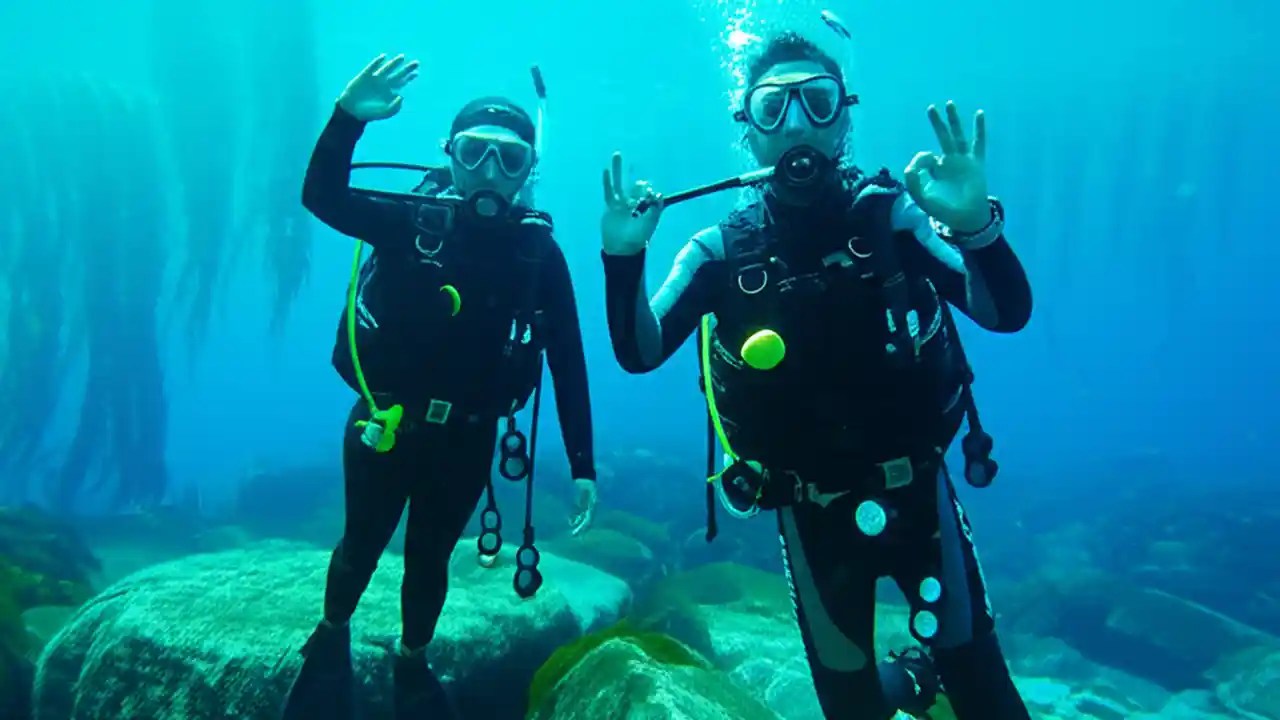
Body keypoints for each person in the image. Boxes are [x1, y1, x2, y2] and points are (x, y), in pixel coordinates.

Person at [600, 30, 1033, 720]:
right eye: (772, 108)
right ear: (748, 130)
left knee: (987, 696)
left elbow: (1004, 311)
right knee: (851, 710)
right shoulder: (718, 250)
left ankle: (928, 675)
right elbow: (639, 351)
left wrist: (975, 225)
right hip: (811, 512)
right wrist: (623, 259)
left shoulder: (892, 217)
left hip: (916, 491)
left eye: (818, 102)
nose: (797, 123)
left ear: (844, 119)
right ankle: (915, 680)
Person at [283, 53, 599, 720]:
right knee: (361, 544)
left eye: (510, 161)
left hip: (466, 436)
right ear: (448, 156)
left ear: (529, 173)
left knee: (429, 559)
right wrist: (347, 119)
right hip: (384, 420)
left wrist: (582, 465)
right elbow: (321, 196)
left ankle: (413, 659)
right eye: (476, 153)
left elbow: (569, 360)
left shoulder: (537, 254)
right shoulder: (411, 220)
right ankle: (331, 633)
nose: (491, 173)